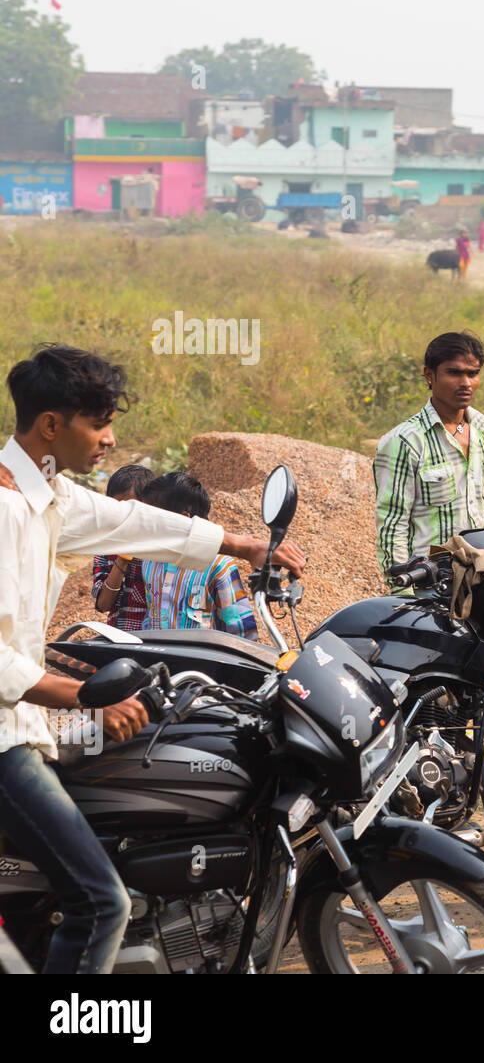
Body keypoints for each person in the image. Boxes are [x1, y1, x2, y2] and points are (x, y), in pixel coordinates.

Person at [0, 346, 304, 974]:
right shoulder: (5, 510)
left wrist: (243, 544)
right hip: (4, 740)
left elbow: (131, 522)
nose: (110, 439)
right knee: (100, 902)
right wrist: (83, 697)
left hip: (22, 723)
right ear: (51, 425)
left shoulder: (45, 495)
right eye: (98, 424)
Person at [374, 332, 484, 586]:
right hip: (431, 587)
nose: (466, 383)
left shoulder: (483, 432)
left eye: (473, 373)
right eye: (454, 373)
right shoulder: (405, 441)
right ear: (429, 375)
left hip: (482, 580)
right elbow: (392, 526)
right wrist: (402, 594)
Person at [137, 472, 259, 638]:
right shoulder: (149, 561)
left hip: (201, 655)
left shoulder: (218, 566)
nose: (146, 525)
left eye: (153, 519)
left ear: (182, 520)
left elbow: (242, 632)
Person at [90, 463, 155, 631]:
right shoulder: (106, 545)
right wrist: (123, 559)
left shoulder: (161, 544)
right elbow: (103, 604)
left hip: (157, 637)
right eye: (116, 508)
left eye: (129, 508)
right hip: (120, 636)